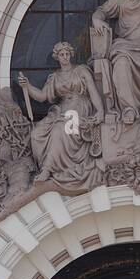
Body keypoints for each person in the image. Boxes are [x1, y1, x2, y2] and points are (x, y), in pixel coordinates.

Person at [17, 41, 104, 189]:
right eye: (62, 55)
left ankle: (48, 169)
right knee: (37, 133)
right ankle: (50, 166)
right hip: (62, 109)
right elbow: (42, 97)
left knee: (59, 130)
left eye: (67, 54)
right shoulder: (54, 77)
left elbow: (93, 92)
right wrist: (28, 86)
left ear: (71, 55)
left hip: (79, 107)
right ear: (57, 57)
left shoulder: (81, 71)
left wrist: (100, 111)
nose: (65, 57)